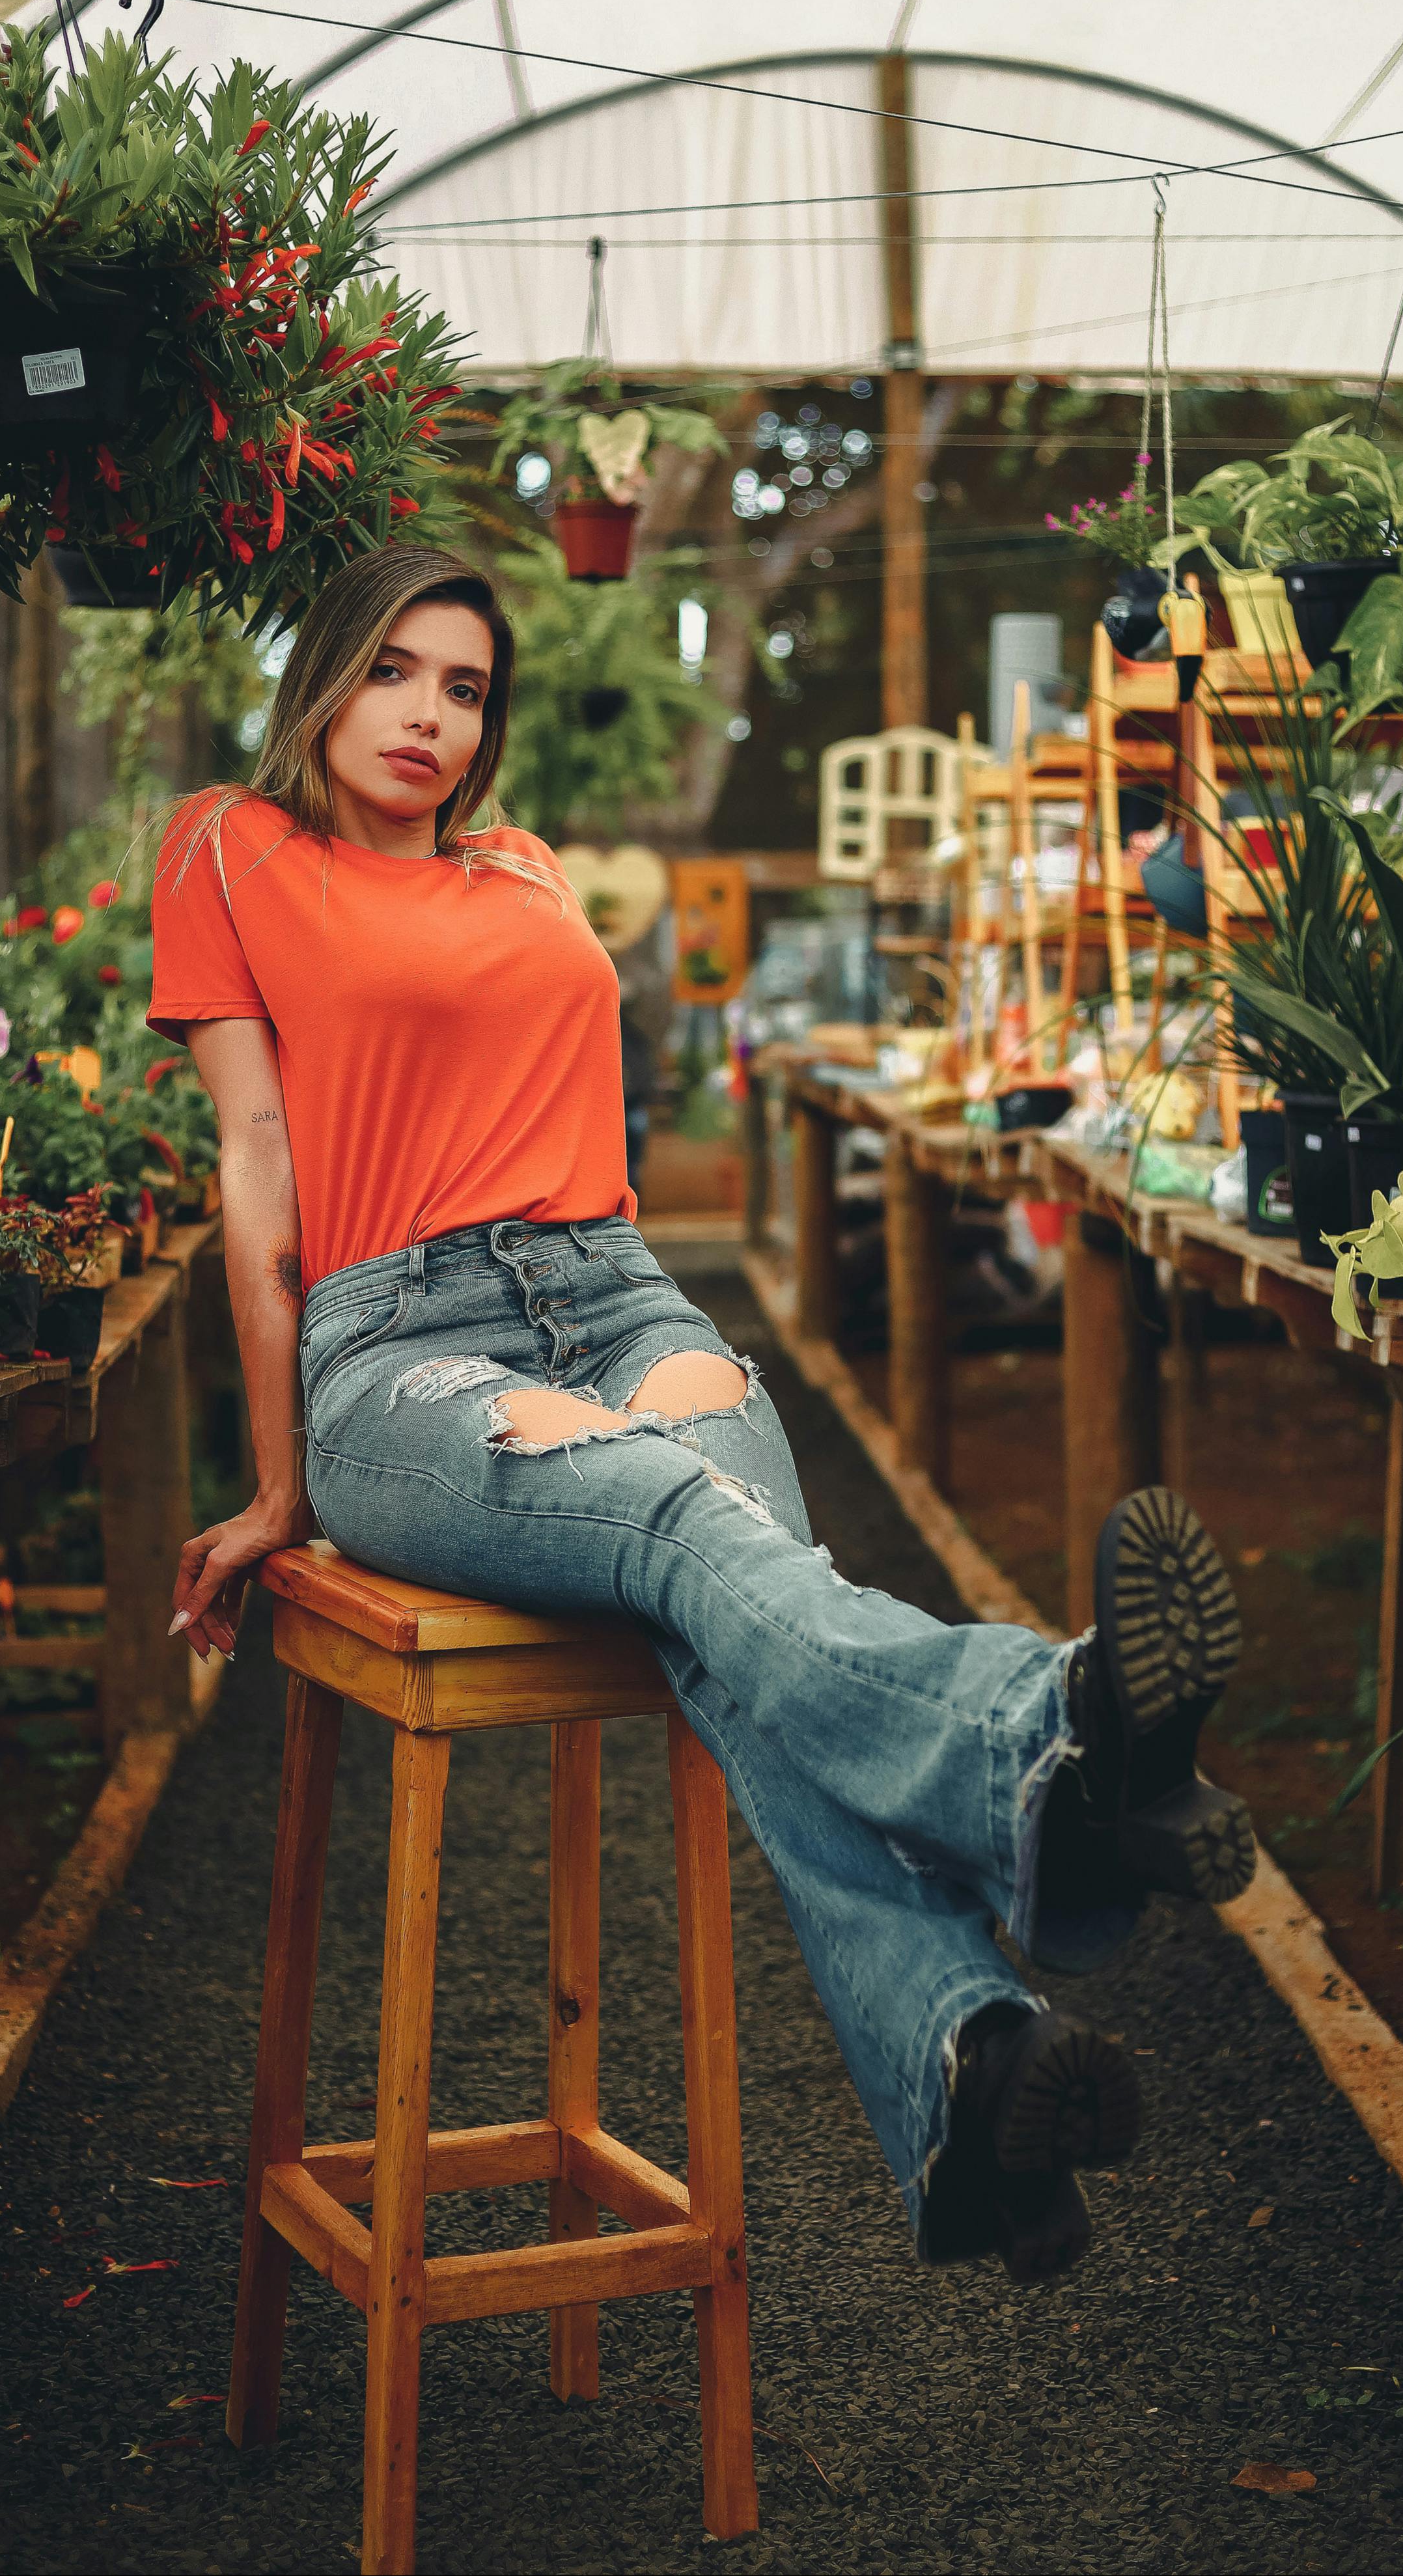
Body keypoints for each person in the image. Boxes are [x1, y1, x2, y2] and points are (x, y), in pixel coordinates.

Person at [153, 547, 1257, 2288]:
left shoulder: (519, 864)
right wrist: (284, 1484)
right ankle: (1046, 1738)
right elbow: (256, 1167)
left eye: (465, 688)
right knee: (687, 1524)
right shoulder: (231, 846)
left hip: (616, 1294)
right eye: (397, 671)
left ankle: (979, 2077)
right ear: (328, 674)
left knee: (745, 1586)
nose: (432, 714)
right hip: (399, 1350)